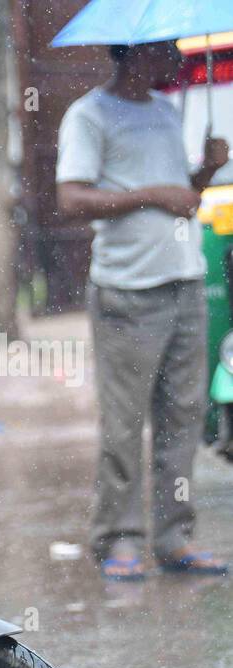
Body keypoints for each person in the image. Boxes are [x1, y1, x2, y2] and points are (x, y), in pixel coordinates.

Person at [57, 41, 229, 579]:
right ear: (130, 54)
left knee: (182, 416)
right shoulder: (88, 116)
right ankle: (118, 538)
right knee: (125, 421)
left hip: (185, 282)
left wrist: (205, 172)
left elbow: (181, 199)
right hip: (128, 290)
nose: (176, 58)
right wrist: (152, 193)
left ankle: (175, 536)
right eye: (163, 50)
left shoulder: (163, 112)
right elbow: (72, 198)